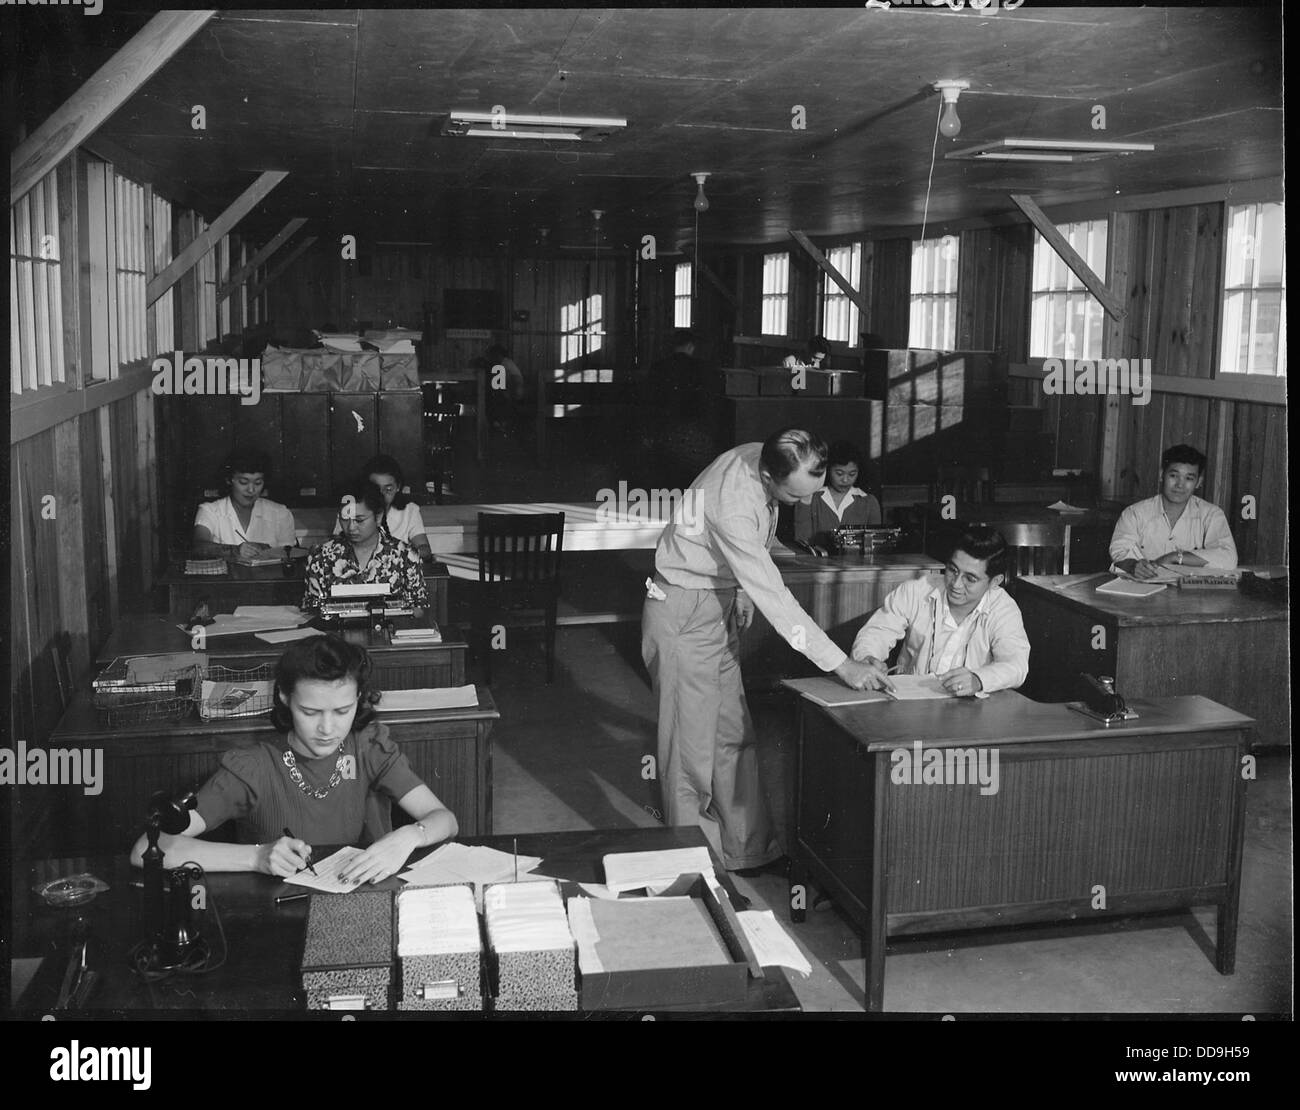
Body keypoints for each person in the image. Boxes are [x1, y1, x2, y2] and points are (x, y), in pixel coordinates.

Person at [642, 428, 883, 874]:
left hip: (716, 598)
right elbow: (777, 598)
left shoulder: (763, 452)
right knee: (688, 749)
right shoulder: (733, 503)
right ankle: (693, 864)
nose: (801, 504)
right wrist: (841, 664)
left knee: (733, 732)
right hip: (683, 609)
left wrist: (740, 587)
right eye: (793, 497)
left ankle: (748, 849)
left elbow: (749, 549)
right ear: (769, 476)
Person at [129, 635, 457, 883]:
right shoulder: (253, 768)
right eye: (310, 712)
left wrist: (408, 836)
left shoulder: (369, 746)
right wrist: (257, 858)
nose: (328, 729)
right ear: (285, 699)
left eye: (343, 711)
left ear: (358, 699)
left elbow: (444, 818)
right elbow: (148, 848)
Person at [850, 527, 1030, 696]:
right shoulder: (916, 591)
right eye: (953, 570)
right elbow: (877, 633)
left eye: (970, 578)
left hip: (971, 713)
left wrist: (978, 679)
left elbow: (1016, 665)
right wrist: (867, 658)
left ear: (994, 582)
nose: (956, 584)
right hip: (910, 708)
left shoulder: (1003, 609)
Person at [1109, 443, 1238, 579]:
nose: (1180, 485)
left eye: (1189, 478)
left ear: (1199, 482)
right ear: (1161, 475)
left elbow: (1228, 558)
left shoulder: (1211, 514)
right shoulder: (1134, 513)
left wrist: (1176, 557)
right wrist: (1133, 566)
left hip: (1190, 596)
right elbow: (1119, 552)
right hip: (1142, 592)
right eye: (1173, 476)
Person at [303, 481, 429, 614]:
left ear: (378, 516)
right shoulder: (320, 556)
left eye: (359, 520)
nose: (351, 527)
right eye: (345, 519)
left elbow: (418, 609)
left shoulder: (405, 555)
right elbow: (311, 610)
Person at [192, 449, 297, 559]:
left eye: (258, 483)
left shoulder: (280, 513)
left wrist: (269, 550)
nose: (251, 490)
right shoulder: (210, 511)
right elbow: (199, 547)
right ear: (229, 480)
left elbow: (290, 555)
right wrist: (235, 550)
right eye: (243, 482)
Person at [332, 454, 431, 559]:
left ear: (398, 487)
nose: (381, 495)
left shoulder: (409, 511)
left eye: (388, 489)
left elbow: (424, 549)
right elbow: (337, 546)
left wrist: (397, 553)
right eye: (375, 489)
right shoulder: (351, 509)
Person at [793, 439, 882, 546]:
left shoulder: (868, 502)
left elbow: (875, 544)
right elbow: (802, 540)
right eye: (839, 474)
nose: (845, 480)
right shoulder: (811, 498)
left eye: (852, 474)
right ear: (828, 470)